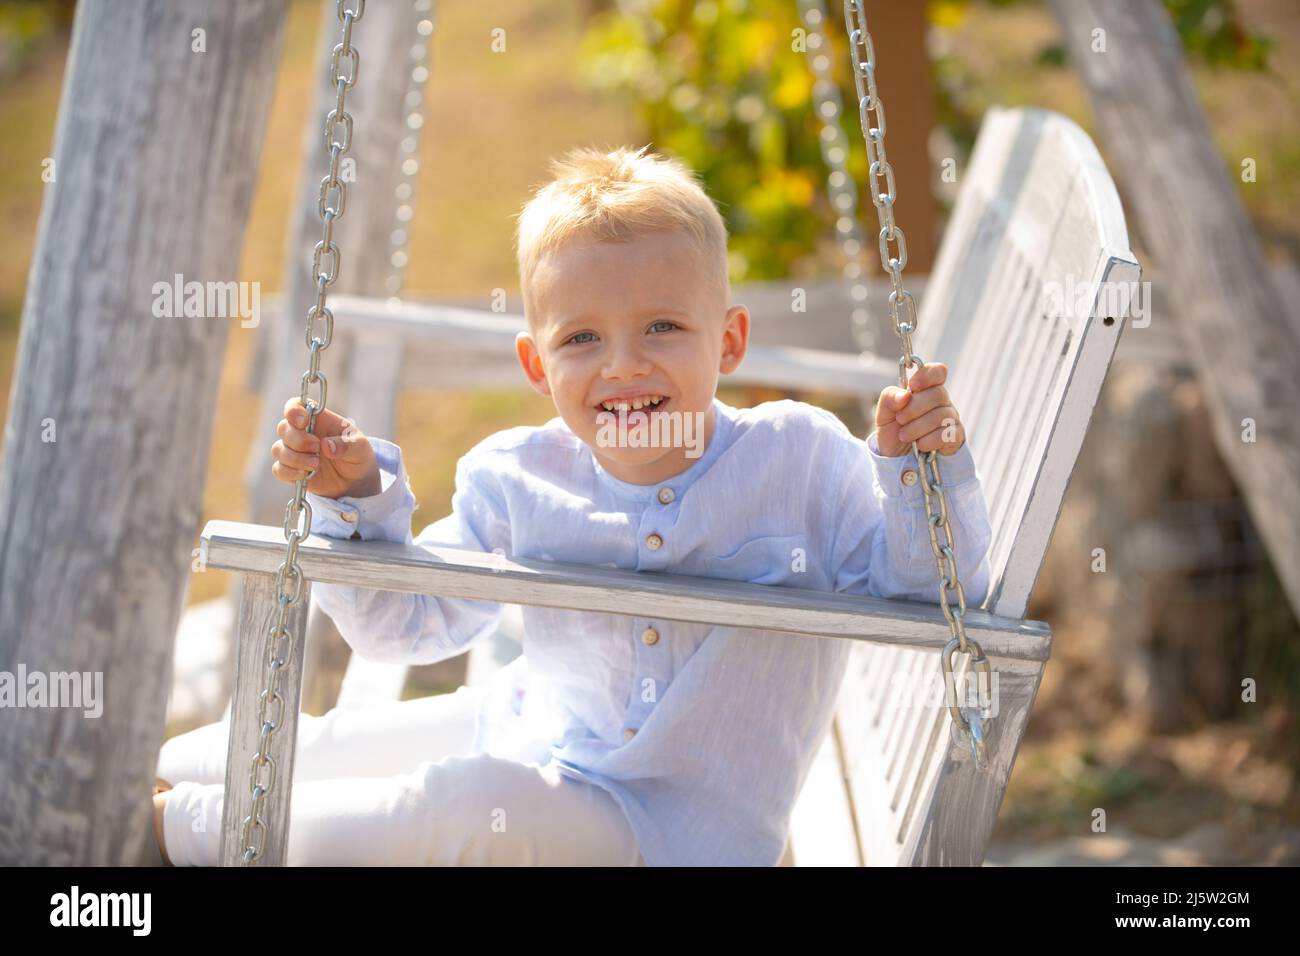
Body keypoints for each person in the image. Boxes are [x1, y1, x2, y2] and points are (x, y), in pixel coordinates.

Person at [151, 145, 992, 866]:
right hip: (529, 728)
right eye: (581, 338)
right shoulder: (518, 476)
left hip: (668, 832)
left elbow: (924, 591)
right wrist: (357, 497)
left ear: (728, 339)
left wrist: (918, 468)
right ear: (535, 363)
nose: (622, 366)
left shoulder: (800, 459)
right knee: (320, 746)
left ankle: (165, 833)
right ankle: (147, 777)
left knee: (455, 809)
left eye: (663, 327)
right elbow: (404, 629)